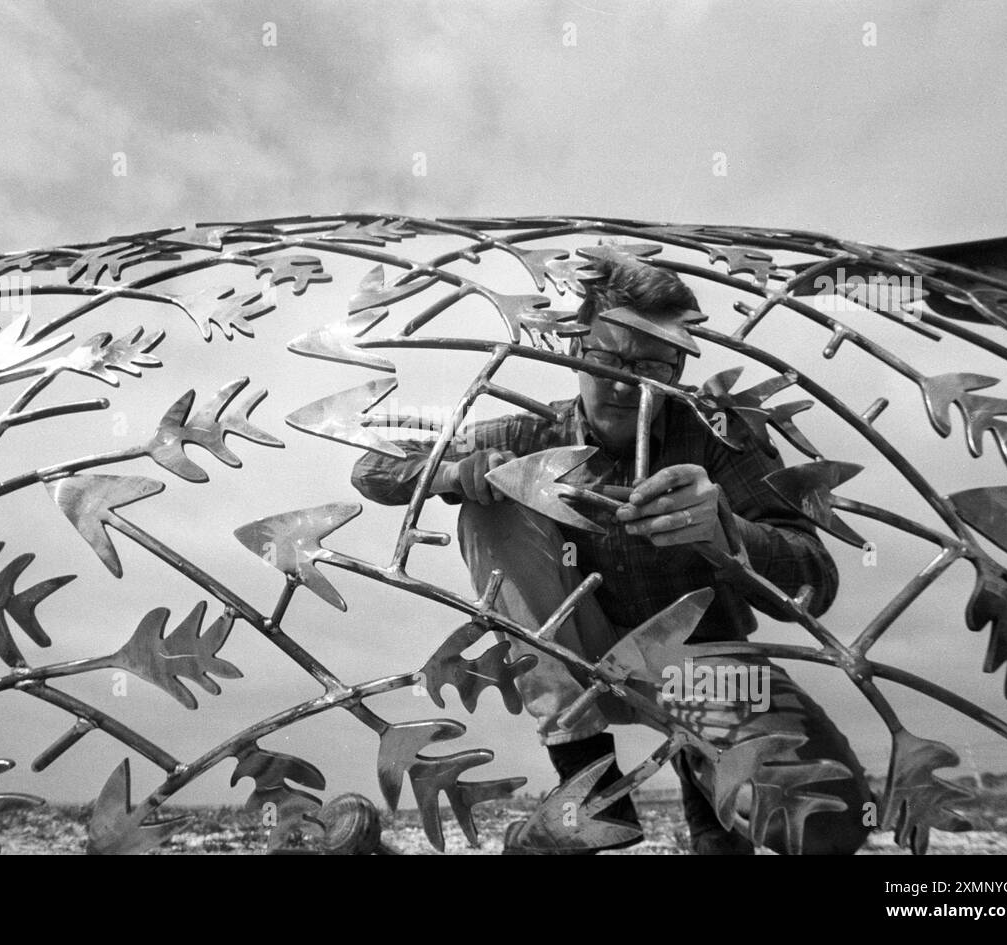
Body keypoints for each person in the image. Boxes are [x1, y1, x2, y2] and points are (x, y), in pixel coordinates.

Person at [350, 250, 873, 855]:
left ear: (678, 368)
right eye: (607, 360)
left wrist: (727, 532)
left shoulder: (722, 437)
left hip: (695, 666)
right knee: (492, 502)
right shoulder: (533, 434)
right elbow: (372, 466)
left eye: (651, 364)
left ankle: (711, 801)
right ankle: (591, 792)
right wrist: (453, 472)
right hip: (574, 658)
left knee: (829, 824)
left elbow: (816, 583)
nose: (625, 384)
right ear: (575, 351)